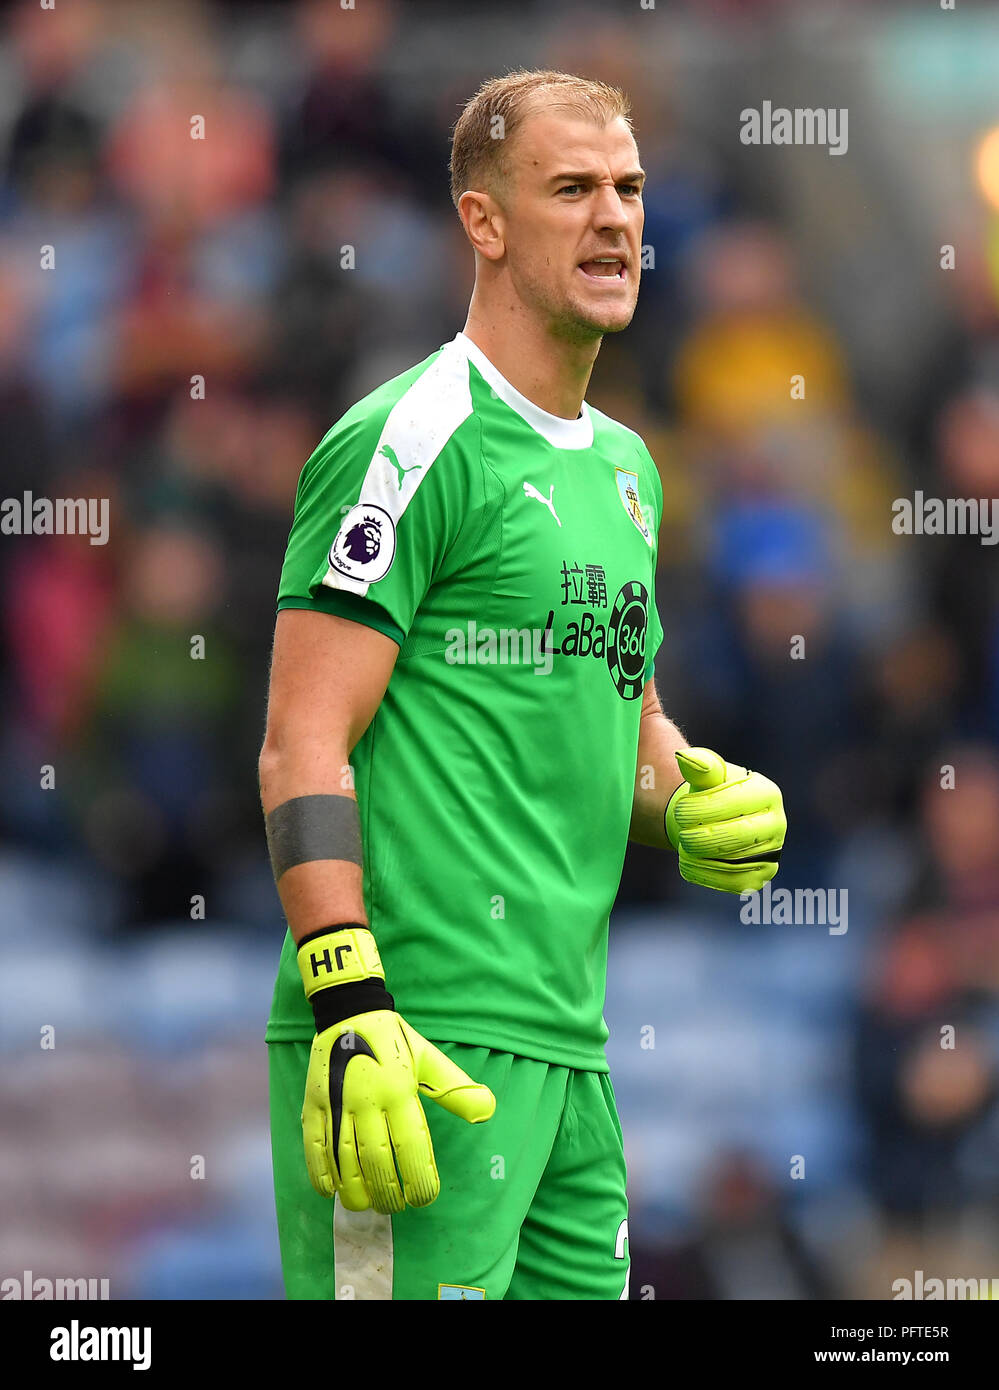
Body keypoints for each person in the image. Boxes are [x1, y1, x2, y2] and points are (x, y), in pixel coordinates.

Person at [259, 68, 786, 1301]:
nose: (616, 218)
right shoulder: (410, 436)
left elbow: (625, 719)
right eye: (572, 189)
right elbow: (300, 743)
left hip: (571, 1049)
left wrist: (690, 794)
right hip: (415, 1042)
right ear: (484, 223)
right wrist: (351, 1002)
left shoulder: (631, 471)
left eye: (630, 189)